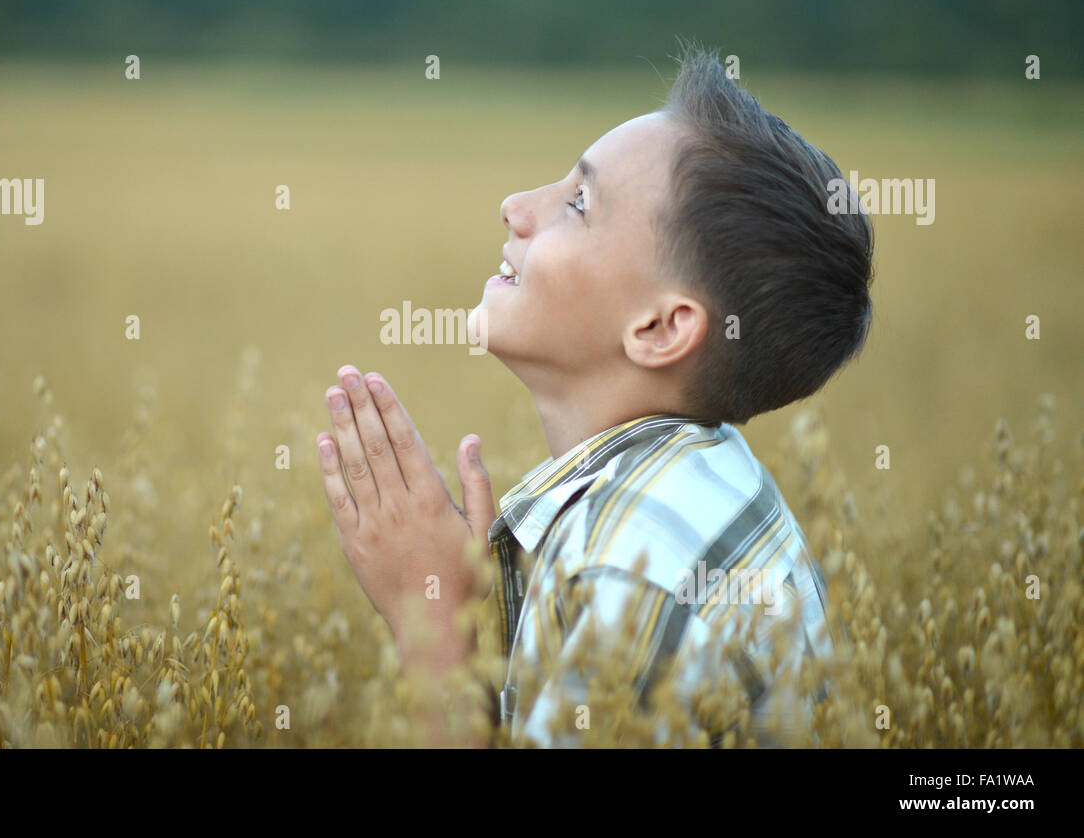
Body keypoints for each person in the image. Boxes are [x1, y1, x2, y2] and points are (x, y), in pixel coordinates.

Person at [314, 41, 874, 747]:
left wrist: (434, 640)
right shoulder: (711, 473)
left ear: (662, 328)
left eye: (577, 203)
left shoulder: (632, 585)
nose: (515, 207)